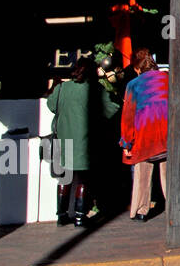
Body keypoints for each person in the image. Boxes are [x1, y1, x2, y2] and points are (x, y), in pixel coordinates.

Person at [45, 57, 120, 226]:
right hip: (85, 142)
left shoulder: (62, 87)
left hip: (64, 141)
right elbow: (112, 109)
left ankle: (61, 215)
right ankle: (79, 215)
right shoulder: (95, 89)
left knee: (64, 179)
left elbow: (51, 105)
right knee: (84, 180)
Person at [119, 48, 168, 221]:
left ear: (138, 68)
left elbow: (128, 116)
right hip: (168, 137)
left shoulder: (133, 85)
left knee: (142, 173)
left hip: (145, 137)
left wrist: (126, 143)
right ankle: (174, 206)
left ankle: (140, 210)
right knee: (167, 173)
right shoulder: (168, 79)